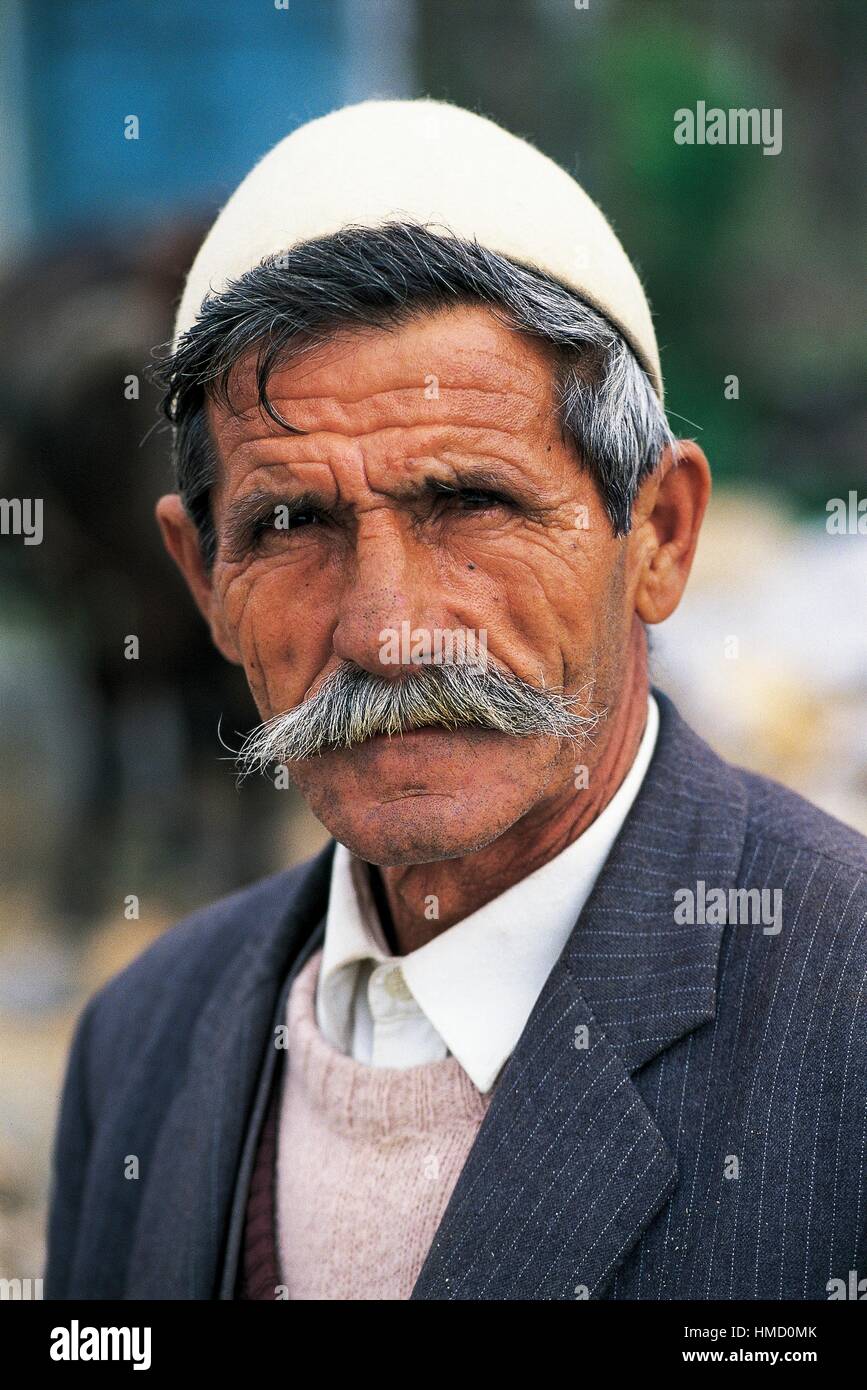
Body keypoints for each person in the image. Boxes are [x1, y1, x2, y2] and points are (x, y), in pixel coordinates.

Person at [45, 98, 867, 1302]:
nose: (385, 632)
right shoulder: (141, 1048)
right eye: (290, 524)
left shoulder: (844, 1016)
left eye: (472, 505)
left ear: (661, 536)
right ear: (203, 579)